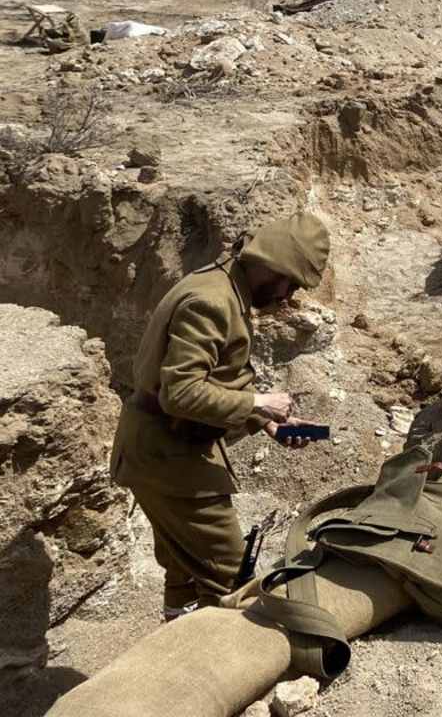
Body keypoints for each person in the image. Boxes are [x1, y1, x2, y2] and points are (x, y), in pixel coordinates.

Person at [109, 212, 331, 621]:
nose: (288, 296)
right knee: (232, 576)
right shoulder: (212, 302)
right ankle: (223, 670)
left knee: (183, 564)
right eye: (291, 283)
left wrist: (265, 422)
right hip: (168, 456)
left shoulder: (224, 282)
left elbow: (208, 380)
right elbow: (181, 392)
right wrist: (257, 403)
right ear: (274, 268)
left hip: (161, 449)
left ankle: (173, 645)